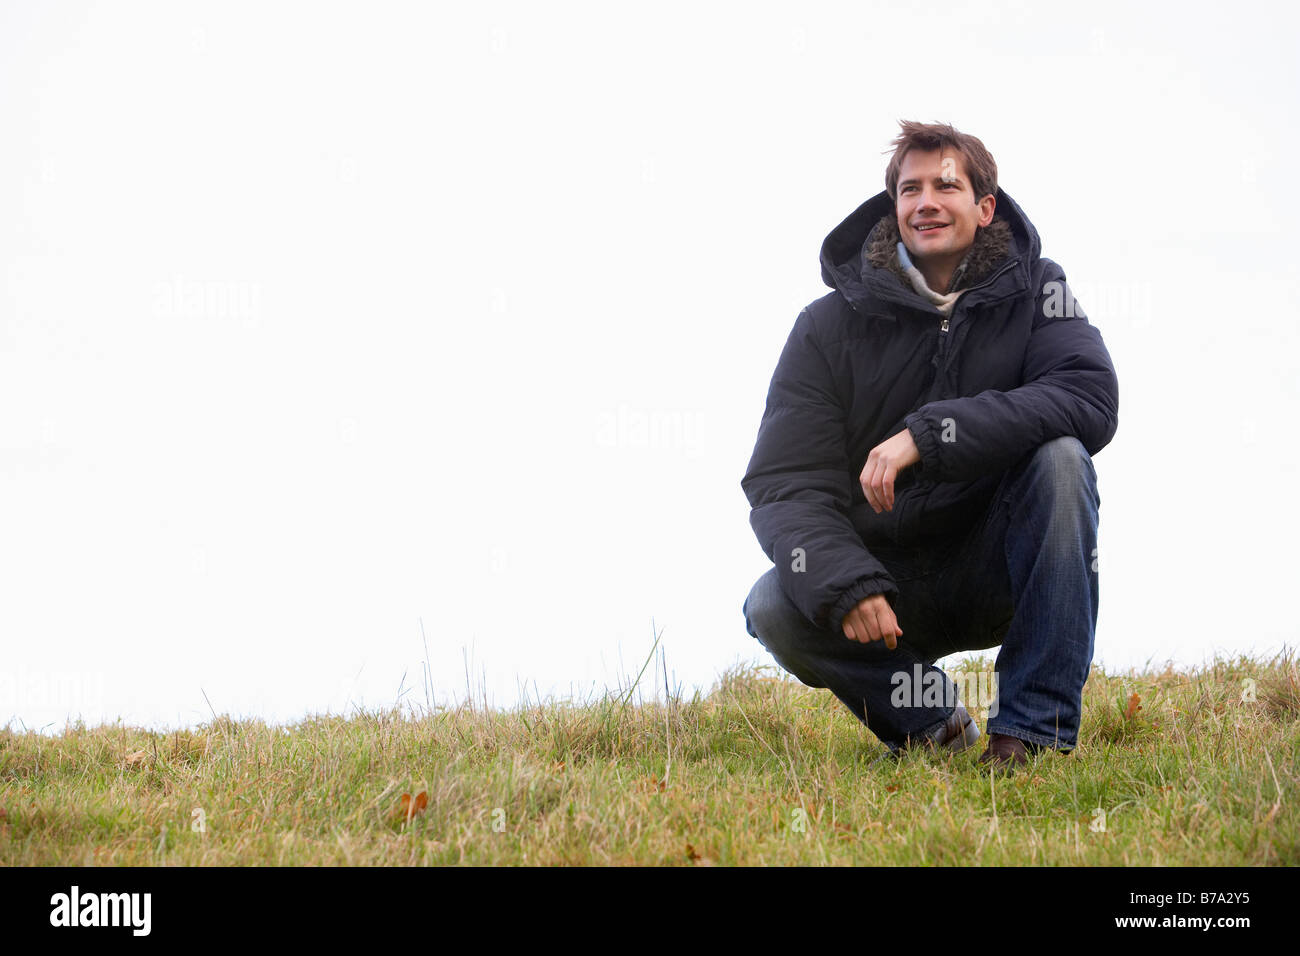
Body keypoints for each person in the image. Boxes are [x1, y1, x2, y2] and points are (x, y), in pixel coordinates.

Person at [740, 120, 1119, 771]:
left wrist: (930, 434)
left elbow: (1089, 398)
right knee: (773, 600)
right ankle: (934, 726)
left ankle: (1029, 736)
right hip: (883, 586)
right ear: (895, 208)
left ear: (984, 206)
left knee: (1061, 461)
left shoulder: (1040, 291)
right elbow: (785, 482)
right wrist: (845, 583)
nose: (925, 202)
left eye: (946, 185)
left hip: (996, 564)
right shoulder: (824, 326)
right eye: (909, 188)